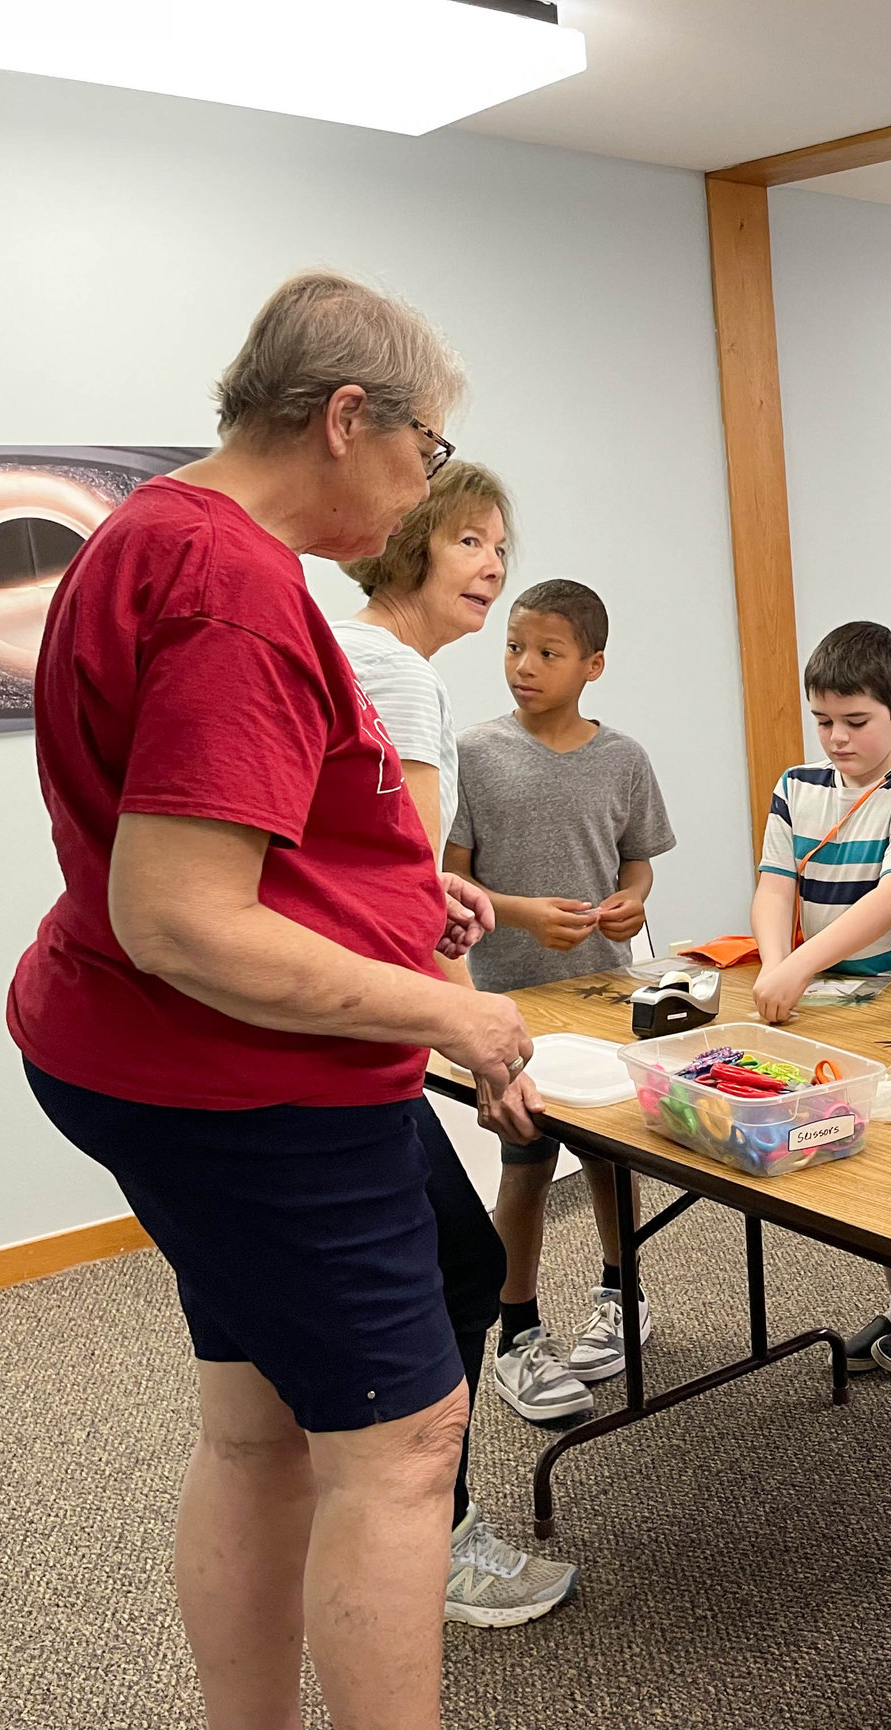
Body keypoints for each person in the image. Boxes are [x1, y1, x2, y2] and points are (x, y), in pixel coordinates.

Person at [8, 269, 538, 1730]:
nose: (424, 486)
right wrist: (456, 1013)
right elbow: (179, 917)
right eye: (427, 453)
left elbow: (197, 836)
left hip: (141, 1049)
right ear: (347, 415)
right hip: (250, 1083)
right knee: (402, 1445)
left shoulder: (149, 531)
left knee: (257, 1433)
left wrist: (388, 892)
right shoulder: (236, 587)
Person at [334, 461, 576, 1626]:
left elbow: (382, 862)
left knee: (455, 1267)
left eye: (500, 544)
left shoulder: (366, 658)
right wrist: (488, 1041)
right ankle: (435, 1533)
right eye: (470, 540)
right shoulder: (394, 670)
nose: (491, 564)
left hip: (355, 1029)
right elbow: (391, 881)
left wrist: (442, 898)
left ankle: (422, 1517)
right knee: (452, 1273)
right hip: (343, 1046)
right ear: (407, 539)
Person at [443, 580, 675, 1427]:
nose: (523, 667)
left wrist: (632, 899)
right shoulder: (472, 752)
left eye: (546, 653)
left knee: (614, 1153)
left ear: (593, 666)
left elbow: (638, 862)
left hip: (607, 991)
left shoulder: (624, 759)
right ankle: (518, 1329)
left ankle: (624, 1296)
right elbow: (452, 878)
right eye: (512, 647)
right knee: (527, 1160)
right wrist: (521, 914)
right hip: (510, 1000)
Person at [749, 623, 891, 1370]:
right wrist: (777, 962)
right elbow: (776, 882)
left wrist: (799, 965)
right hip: (829, 1000)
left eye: (856, 722)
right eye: (824, 721)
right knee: (863, 1153)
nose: (837, 738)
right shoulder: (795, 787)